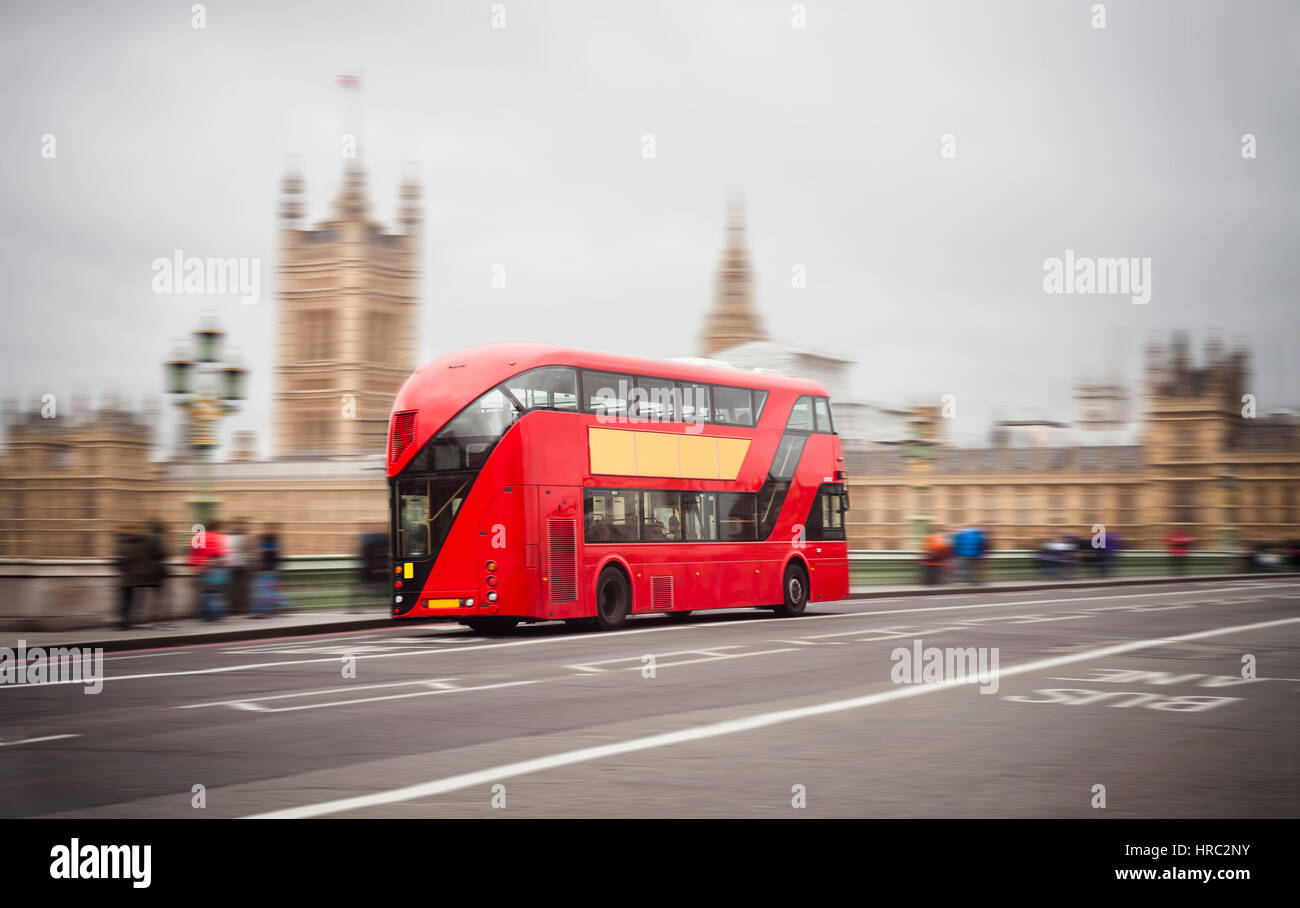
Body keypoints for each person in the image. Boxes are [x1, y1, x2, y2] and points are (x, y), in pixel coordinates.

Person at [189, 519, 230, 620]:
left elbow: (193, 551)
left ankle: (205, 613)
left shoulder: (198, 537)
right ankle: (214, 613)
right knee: (215, 591)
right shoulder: (218, 537)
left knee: (205, 591)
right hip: (215, 568)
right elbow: (223, 553)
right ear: (216, 527)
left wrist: (194, 564)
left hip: (200, 567)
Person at [114, 522, 146, 630]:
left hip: (125, 576)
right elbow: (140, 559)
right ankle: (127, 621)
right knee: (130, 599)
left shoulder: (122, 543)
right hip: (134, 576)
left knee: (124, 599)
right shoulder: (137, 543)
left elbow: (118, 560)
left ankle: (123, 621)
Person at [252, 523, 287, 617]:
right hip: (263, 569)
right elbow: (259, 553)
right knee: (266, 591)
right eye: (268, 528)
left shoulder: (275, 540)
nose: (269, 530)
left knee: (265, 591)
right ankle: (270, 609)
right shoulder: (265, 539)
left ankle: (264, 611)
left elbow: (277, 555)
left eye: (271, 528)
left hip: (270, 570)